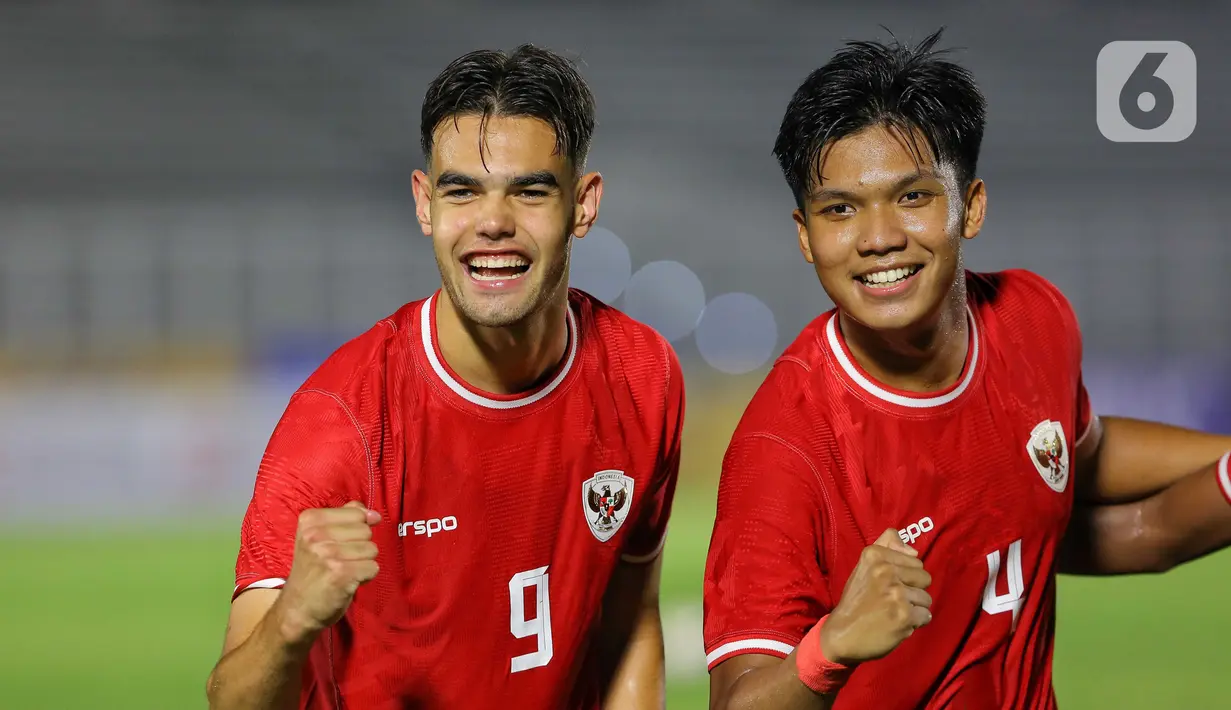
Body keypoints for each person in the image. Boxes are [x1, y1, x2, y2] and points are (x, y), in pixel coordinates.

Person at [703, 30, 1231, 709]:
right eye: (839, 209)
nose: (878, 237)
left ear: (970, 207)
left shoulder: (1032, 319)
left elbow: (1107, 491)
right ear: (805, 236)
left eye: (912, 197)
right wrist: (827, 648)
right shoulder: (783, 450)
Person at [205, 45, 683, 710]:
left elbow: (629, 626)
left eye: (529, 190)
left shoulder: (643, 374)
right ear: (425, 204)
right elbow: (231, 701)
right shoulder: (339, 422)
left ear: (582, 203)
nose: (492, 222)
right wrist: (290, 623)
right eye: (462, 190)